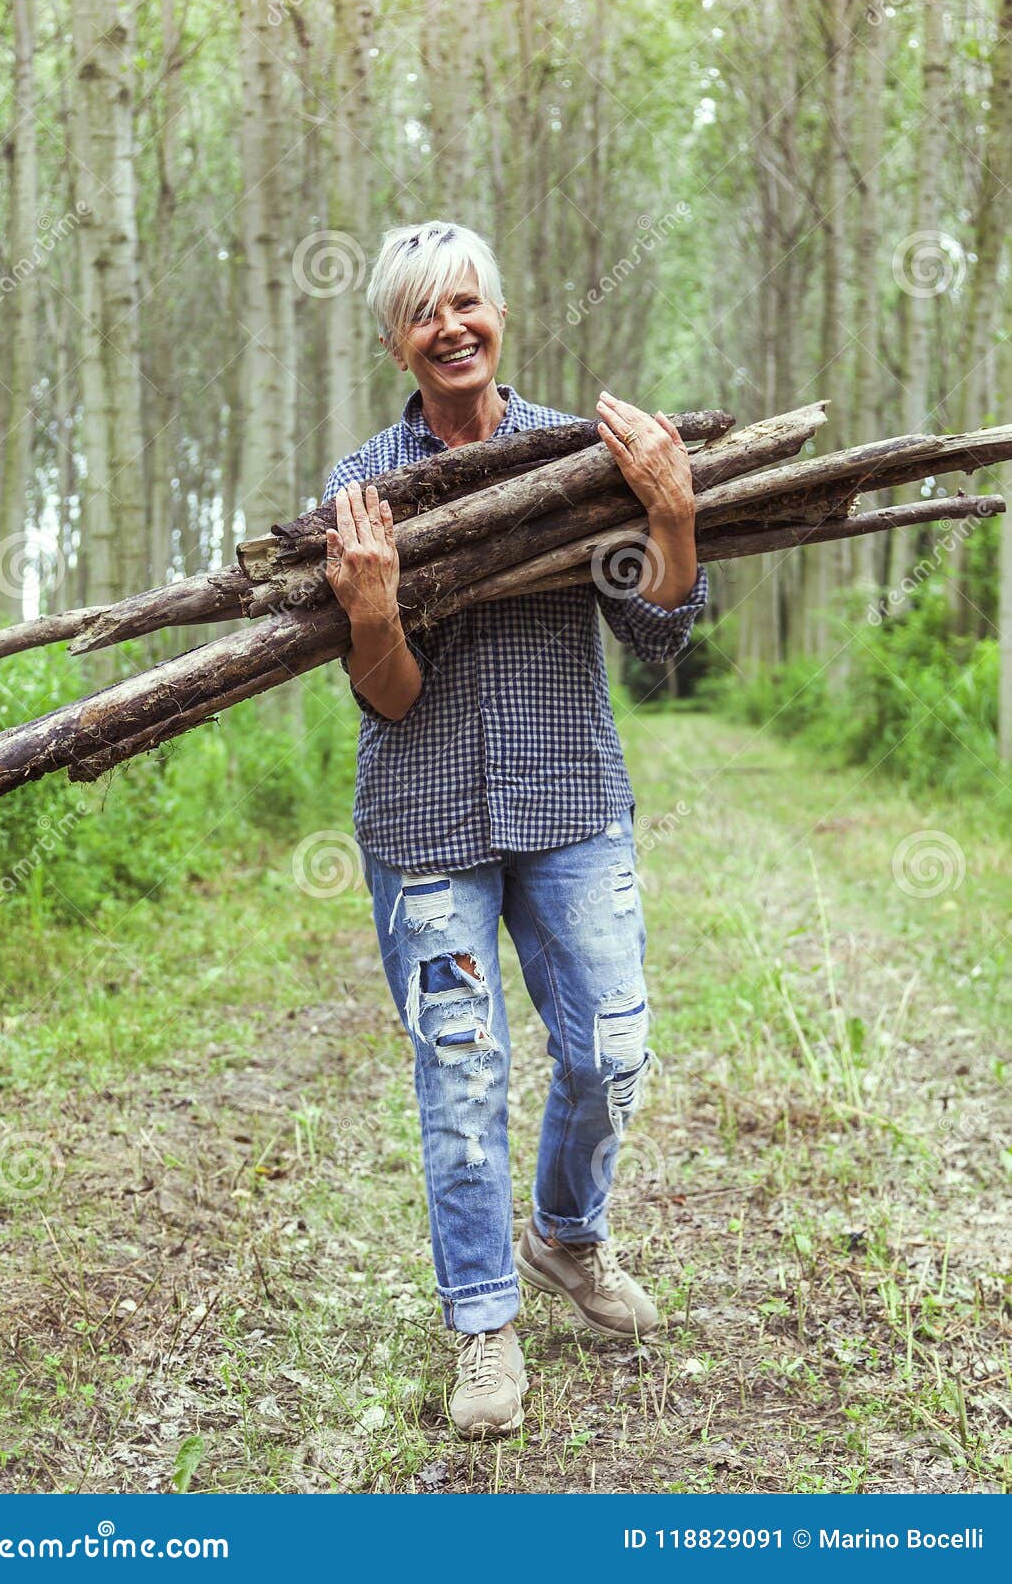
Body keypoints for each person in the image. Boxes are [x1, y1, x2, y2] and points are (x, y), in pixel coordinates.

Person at [319, 220, 708, 1440]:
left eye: (467, 303)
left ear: (499, 317)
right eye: (423, 311)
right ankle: (482, 1322)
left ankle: (565, 1239)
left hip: (570, 806)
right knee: (460, 1069)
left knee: (612, 1046)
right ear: (394, 336)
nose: (450, 327)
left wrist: (673, 516)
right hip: (424, 821)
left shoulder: (575, 460)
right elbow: (385, 695)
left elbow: (655, 635)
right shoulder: (360, 492)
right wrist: (374, 611)